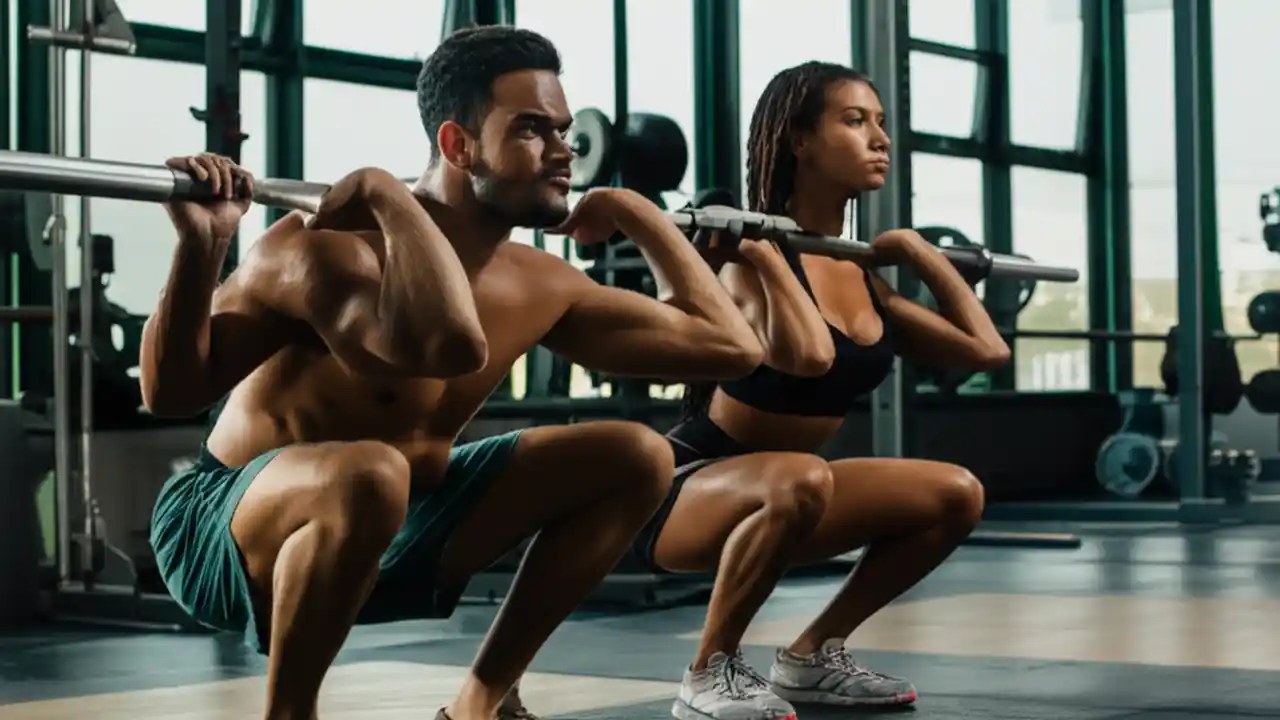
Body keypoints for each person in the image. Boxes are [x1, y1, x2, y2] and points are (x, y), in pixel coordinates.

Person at [143, 26, 763, 720]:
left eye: (564, 131)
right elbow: (170, 394)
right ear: (457, 145)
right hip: (226, 533)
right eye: (533, 130)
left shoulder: (537, 282)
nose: (564, 151)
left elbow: (728, 347)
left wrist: (633, 212)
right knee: (370, 471)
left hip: (398, 530)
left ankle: (480, 704)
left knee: (636, 454)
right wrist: (205, 247)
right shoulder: (327, 249)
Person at [630, 61, 1011, 720]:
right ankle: (706, 672)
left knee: (956, 493)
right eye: (855, 121)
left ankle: (810, 655)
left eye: (881, 124)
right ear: (800, 142)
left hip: (793, 495)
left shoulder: (859, 271)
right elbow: (808, 357)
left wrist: (917, 253)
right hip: (685, 495)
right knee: (802, 475)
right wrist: (761, 252)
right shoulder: (752, 259)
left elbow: (986, 350)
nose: (880, 139)